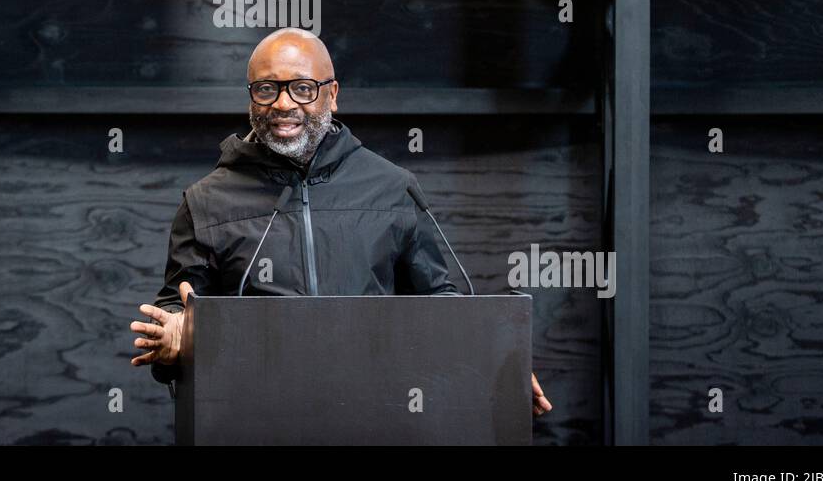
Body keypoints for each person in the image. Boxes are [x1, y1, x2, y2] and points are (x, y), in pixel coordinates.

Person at [128, 28, 553, 417]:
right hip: (254, 418)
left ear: (332, 95)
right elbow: (176, 312)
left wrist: (497, 360)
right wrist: (176, 341)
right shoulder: (205, 201)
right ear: (250, 97)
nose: (283, 103)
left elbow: (438, 302)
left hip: (379, 415)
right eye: (266, 89)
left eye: (302, 88)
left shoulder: (392, 187)